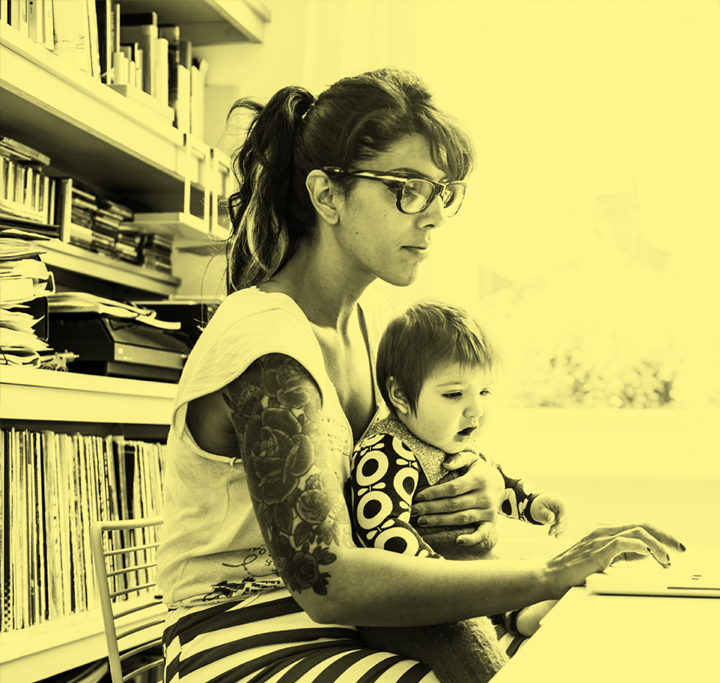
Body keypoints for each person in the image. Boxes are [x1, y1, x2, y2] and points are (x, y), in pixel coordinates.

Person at [156, 67, 684, 683]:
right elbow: (326, 582)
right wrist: (549, 573)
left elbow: (416, 458)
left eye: (442, 192)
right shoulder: (266, 344)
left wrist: (476, 487)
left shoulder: (379, 324)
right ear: (327, 196)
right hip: (247, 637)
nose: (433, 216)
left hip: (373, 626)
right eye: (406, 188)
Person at [349, 300, 566, 682]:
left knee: (516, 577)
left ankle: (517, 613)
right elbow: (382, 531)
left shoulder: (449, 438)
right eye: (454, 395)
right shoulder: (387, 450)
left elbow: (498, 478)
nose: (475, 410)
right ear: (400, 396)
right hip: (415, 603)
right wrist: (444, 582)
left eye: (484, 392)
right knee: (465, 637)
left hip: (470, 576)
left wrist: (534, 502)